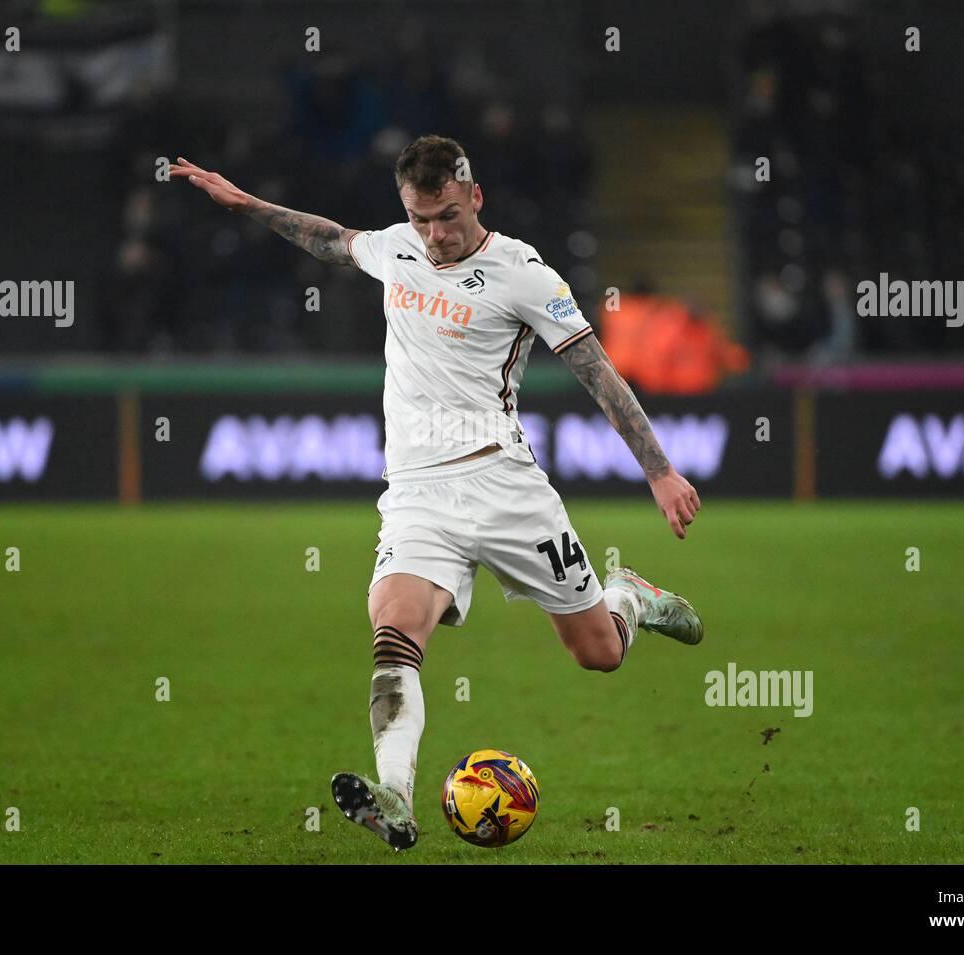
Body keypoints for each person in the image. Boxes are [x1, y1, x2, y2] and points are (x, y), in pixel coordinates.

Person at [172, 135, 704, 851]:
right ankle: (395, 791)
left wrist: (659, 469)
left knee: (599, 653)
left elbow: (597, 371)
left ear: (474, 196)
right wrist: (244, 203)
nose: (435, 235)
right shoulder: (397, 248)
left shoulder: (523, 273)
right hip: (418, 494)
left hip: (506, 487)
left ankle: (630, 595)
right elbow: (330, 240)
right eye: (421, 219)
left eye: (447, 216)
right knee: (393, 631)